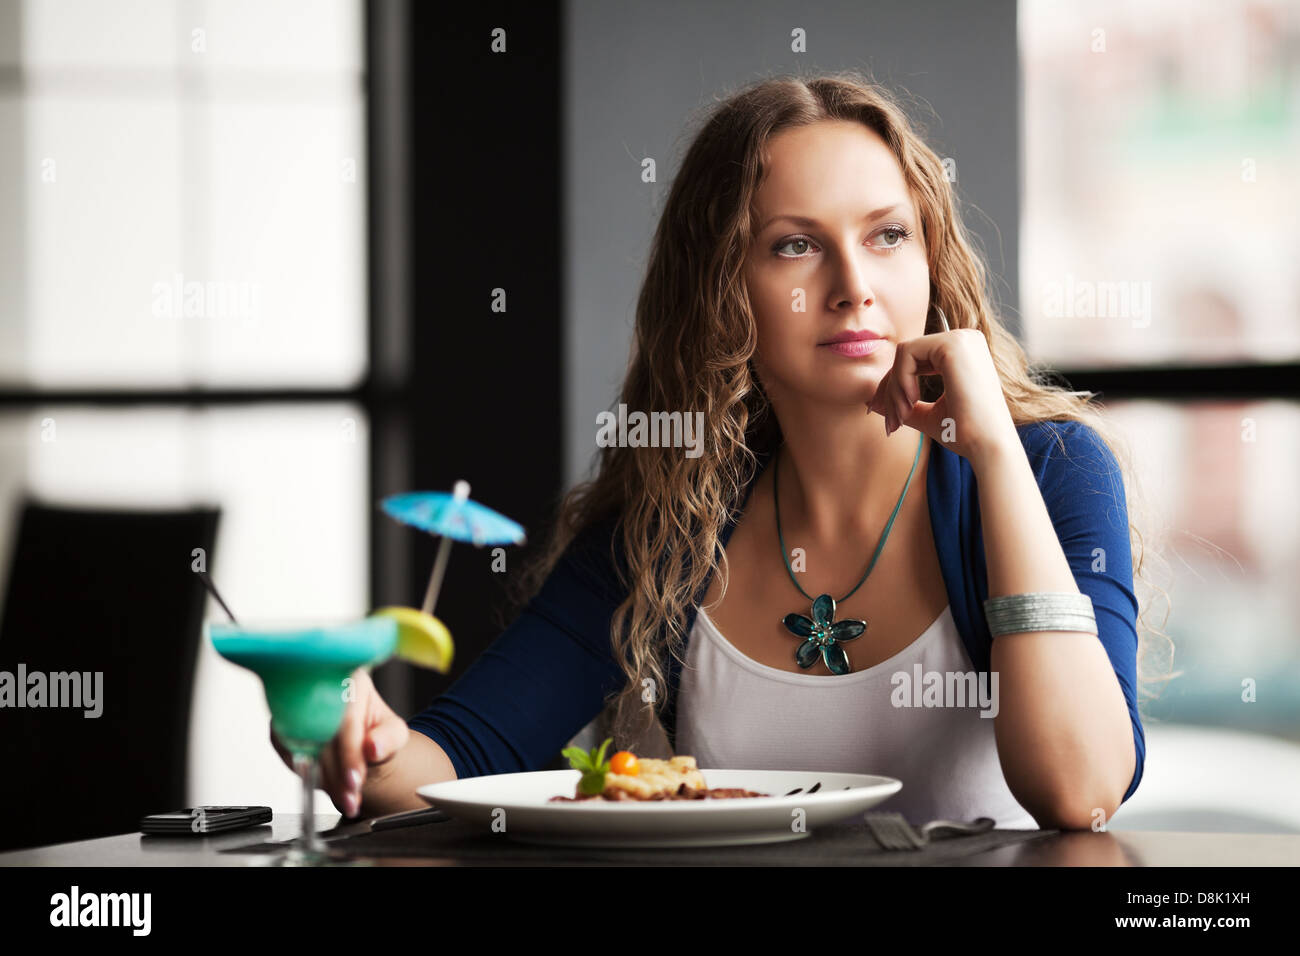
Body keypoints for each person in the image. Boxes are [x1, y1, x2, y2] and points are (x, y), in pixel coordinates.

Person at [274, 71, 1164, 830]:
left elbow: (1079, 791)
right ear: (722, 286)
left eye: (887, 235)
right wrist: (346, 725)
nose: (854, 287)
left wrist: (995, 451)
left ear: (930, 259)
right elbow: (443, 772)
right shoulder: (667, 523)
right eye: (795, 246)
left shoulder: (1050, 470)